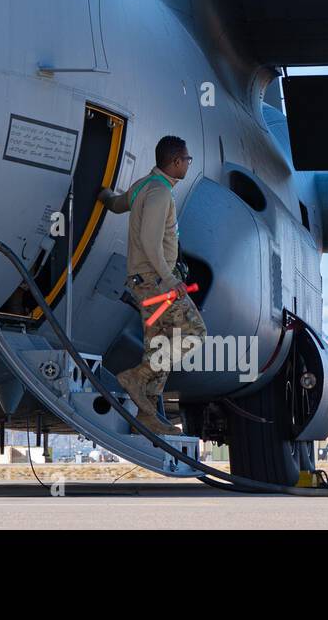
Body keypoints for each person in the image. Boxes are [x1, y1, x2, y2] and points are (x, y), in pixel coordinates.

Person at [115, 135, 207, 436]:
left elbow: (118, 204)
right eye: (187, 160)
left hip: (146, 280)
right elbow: (150, 243)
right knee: (194, 333)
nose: (188, 164)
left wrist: (101, 195)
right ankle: (136, 378)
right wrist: (171, 281)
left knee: (161, 345)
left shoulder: (144, 185)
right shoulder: (159, 194)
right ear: (176, 162)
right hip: (156, 283)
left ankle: (148, 417)